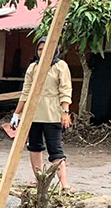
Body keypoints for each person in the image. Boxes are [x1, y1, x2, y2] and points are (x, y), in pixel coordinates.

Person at [11, 37, 73, 191]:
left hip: (53, 113)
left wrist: (65, 111)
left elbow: (65, 90)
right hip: (33, 114)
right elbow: (26, 91)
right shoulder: (33, 67)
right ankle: (39, 181)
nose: (42, 52)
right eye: (40, 49)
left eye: (46, 49)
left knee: (55, 150)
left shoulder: (60, 66)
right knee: (35, 147)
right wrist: (17, 114)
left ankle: (64, 184)